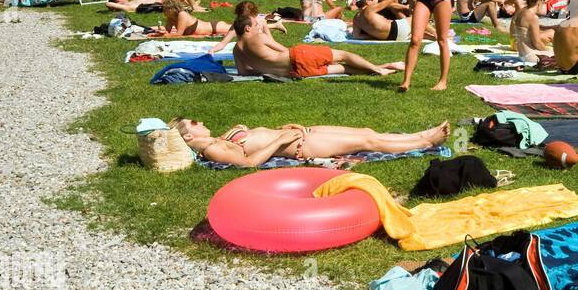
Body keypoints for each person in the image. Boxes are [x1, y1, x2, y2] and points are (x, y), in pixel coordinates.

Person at [172, 118, 450, 167]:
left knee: (367, 131)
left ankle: (422, 135)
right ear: (188, 137)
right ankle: (425, 143)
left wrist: (281, 130)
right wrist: (280, 139)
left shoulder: (218, 139)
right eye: (193, 123)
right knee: (368, 140)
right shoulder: (212, 149)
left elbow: (258, 139)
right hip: (302, 146)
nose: (199, 121)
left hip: (301, 133)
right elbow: (247, 163)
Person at [232, 11, 401, 78]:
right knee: (344, 56)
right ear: (248, 28)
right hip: (297, 57)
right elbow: (283, 49)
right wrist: (265, 31)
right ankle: (379, 69)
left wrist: (264, 68)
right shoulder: (257, 38)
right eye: (256, 25)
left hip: (294, 73)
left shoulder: (236, 50)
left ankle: (384, 67)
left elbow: (243, 72)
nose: (259, 26)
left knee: (345, 69)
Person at [150, 0, 231, 38]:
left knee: (239, 28)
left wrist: (165, 35)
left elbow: (179, 34)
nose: (163, 11)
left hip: (215, 28)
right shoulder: (170, 18)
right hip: (212, 29)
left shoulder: (182, 14)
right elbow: (168, 32)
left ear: (171, 9)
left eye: (165, 9)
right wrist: (160, 32)